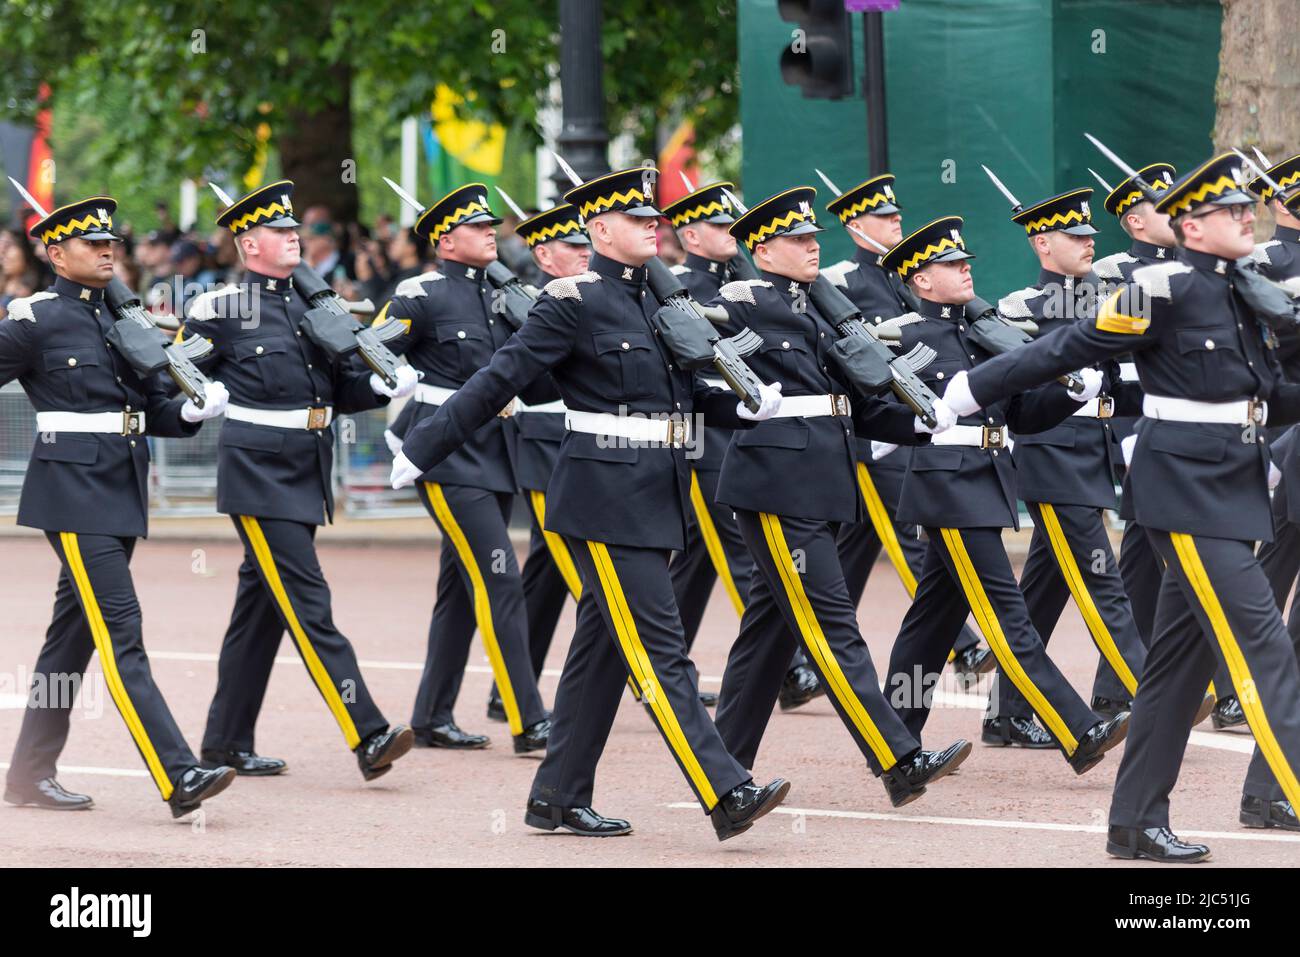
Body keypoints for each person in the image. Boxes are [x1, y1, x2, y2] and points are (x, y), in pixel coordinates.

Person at [391, 165, 792, 841]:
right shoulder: (570, 299)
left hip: (653, 491)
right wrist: (424, 444)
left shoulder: (658, 302)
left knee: (600, 654)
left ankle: (555, 796)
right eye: (638, 220)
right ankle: (725, 788)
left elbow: (684, 398)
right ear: (601, 229)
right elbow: (500, 378)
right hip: (604, 498)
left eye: (653, 219)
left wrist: (746, 406)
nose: (653, 227)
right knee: (662, 649)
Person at [944, 153, 1300, 860]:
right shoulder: (1158, 286)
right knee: (1264, 647)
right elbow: (1068, 347)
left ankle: (1135, 820)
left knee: (1174, 667)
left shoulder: (1245, 289)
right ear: (1191, 226)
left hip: (1230, 489)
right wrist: (968, 390)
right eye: (1230, 211)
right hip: (1186, 495)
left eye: (1244, 208)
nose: (1246, 217)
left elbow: (1265, 398)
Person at [707, 186, 972, 806]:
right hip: (776, 487)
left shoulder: (820, 305)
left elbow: (847, 404)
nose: (811, 246)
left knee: (769, 632)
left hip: (818, 482)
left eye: (813, 237)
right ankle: (899, 758)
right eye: (798, 239)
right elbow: (706, 352)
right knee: (832, 624)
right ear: (764, 247)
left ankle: (721, 774)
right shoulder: (743, 299)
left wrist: (918, 423)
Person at [1, 195, 235, 818]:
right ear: (57, 253)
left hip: (122, 484)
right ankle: (178, 773)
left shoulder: (125, 317)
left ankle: (27, 774)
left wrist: (187, 412)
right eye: (93, 244)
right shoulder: (34, 318)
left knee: (69, 639)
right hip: (72, 492)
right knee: (120, 629)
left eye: (112, 244)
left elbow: (149, 404)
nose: (109, 251)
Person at [875, 215, 1130, 775]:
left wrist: (1071, 393)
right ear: (921, 281)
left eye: (965, 260)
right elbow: (895, 412)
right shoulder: (910, 337)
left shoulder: (978, 330)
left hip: (982, 477)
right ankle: (1078, 729)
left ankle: (893, 740)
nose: (966, 267)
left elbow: (1021, 415)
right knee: (1006, 615)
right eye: (950, 264)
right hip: (948, 482)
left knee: (931, 624)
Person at [186, 179, 418, 782]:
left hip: (306, 463)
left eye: (296, 230)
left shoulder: (313, 307)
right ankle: (366, 733)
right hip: (258, 470)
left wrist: (380, 387)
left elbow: (336, 389)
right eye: (281, 231)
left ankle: (225, 741)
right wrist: (194, 398)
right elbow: (176, 373)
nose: (295, 238)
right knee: (308, 601)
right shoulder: (222, 308)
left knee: (259, 609)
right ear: (248, 244)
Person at [373, 183, 552, 752]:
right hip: (446, 455)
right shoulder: (420, 293)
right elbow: (373, 352)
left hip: (496, 450)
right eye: (478, 228)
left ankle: (431, 715)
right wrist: (389, 379)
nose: (490, 233)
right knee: (501, 577)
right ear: (446, 240)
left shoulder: (501, 294)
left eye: (490, 225)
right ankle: (529, 720)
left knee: (460, 586)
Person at [985, 186, 1159, 744]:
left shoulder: (1111, 299)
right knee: (1100, 577)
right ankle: (1153, 693)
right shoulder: (1020, 309)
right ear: (1042, 244)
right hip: (1051, 451)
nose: (1089, 243)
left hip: (1096, 448)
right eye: (1075, 235)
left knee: (1046, 584)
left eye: (1089, 234)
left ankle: (1007, 713)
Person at [820, 172, 993, 686]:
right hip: (879, 435)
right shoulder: (838, 283)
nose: (896, 220)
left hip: (921, 425)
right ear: (855, 225)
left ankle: (804, 654)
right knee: (915, 536)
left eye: (896, 213)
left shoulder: (910, 275)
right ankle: (962, 645)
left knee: (851, 551)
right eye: (884, 215)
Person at [660, 181, 822, 709]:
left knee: (699, 560)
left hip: (753, 427)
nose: (729, 231)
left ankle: (660, 672)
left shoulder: (751, 282)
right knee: (737, 551)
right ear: (689, 234)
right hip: (708, 438)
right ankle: (792, 667)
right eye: (715, 224)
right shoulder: (678, 286)